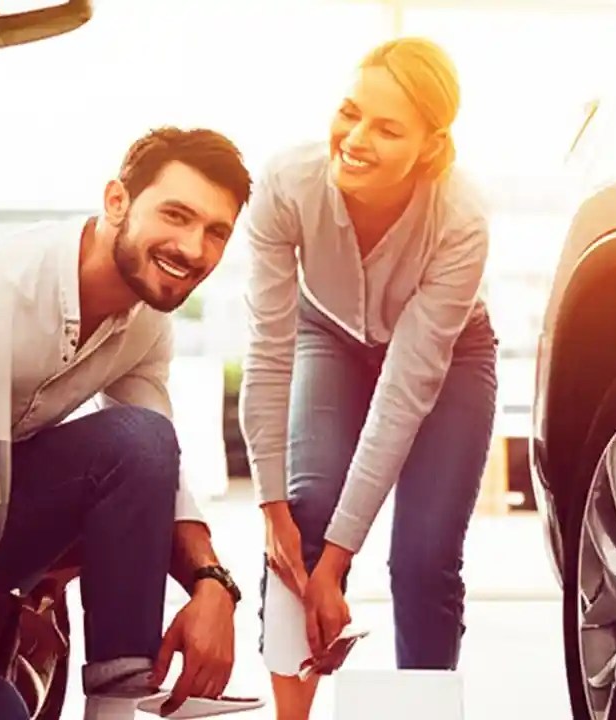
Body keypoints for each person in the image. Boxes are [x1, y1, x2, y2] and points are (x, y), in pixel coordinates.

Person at [239, 37, 498, 719]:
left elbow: (404, 392)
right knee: (304, 516)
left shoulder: (461, 217)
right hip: (328, 331)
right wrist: (273, 515)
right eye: (350, 112)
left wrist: (337, 564)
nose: (355, 139)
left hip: (450, 355)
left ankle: (424, 709)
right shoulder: (286, 185)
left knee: (423, 557)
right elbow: (268, 352)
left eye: (387, 128)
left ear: (430, 145)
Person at [0, 127, 253, 718]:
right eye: (176, 214)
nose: (194, 248)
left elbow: (153, 465)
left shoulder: (148, 322)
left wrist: (213, 584)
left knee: (144, 441)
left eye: (216, 232)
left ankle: (119, 700)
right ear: (117, 201)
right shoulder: (0, 288)